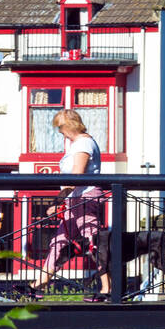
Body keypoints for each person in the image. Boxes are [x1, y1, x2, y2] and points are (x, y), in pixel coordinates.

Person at [33, 109, 111, 301]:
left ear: (69, 126)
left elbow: (76, 175)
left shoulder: (83, 143)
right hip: (75, 200)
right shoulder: (78, 144)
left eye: (60, 127)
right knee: (58, 243)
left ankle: (107, 290)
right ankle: (37, 286)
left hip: (84, 199)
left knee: (94, 244)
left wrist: (58, 201)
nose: (60, 132)